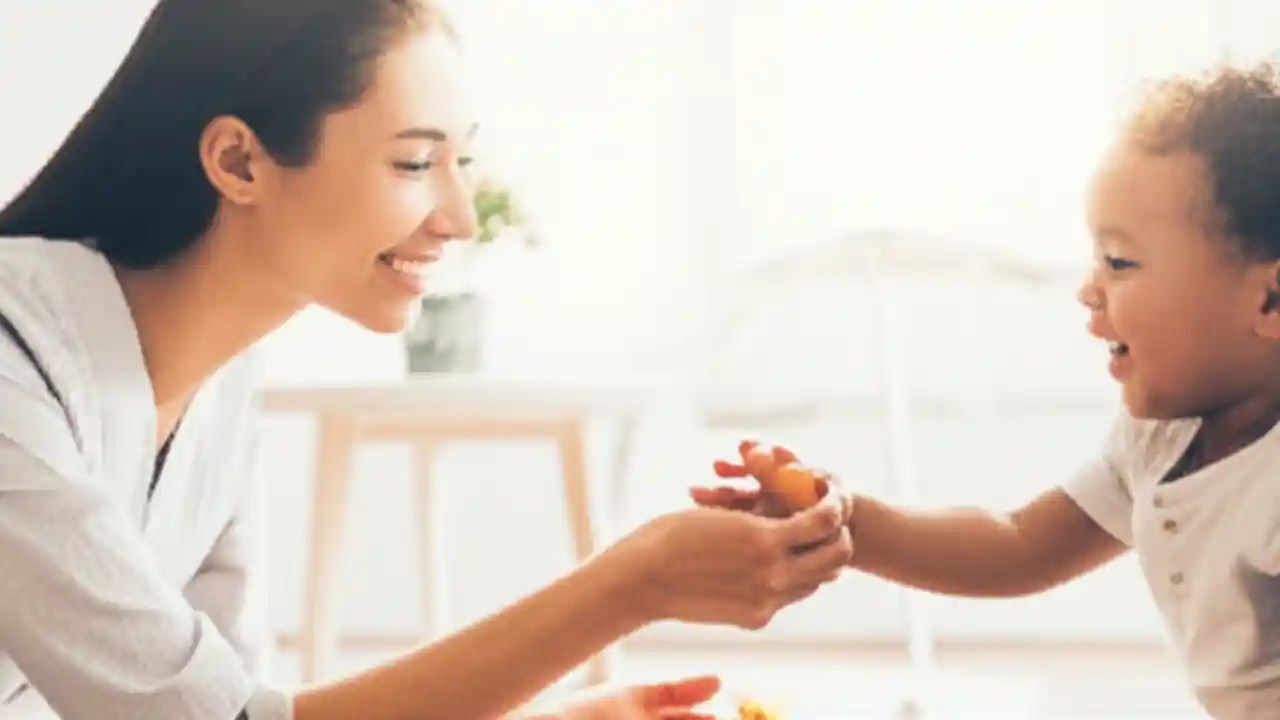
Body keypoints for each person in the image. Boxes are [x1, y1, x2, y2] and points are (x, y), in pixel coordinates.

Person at [0, 1, 855, 718]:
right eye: (413, 162)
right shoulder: (14, 364)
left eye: (462, 161)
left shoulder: (219, 383)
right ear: (238, 160)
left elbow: (226, 699)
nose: (459, 216)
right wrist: (635, 582)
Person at [697, 62, 1280, 719]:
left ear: (1269, 299)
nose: (1089, 289)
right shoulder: (1162, 436)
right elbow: (1018, 544)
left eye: (1119, 262)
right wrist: (843, 515)